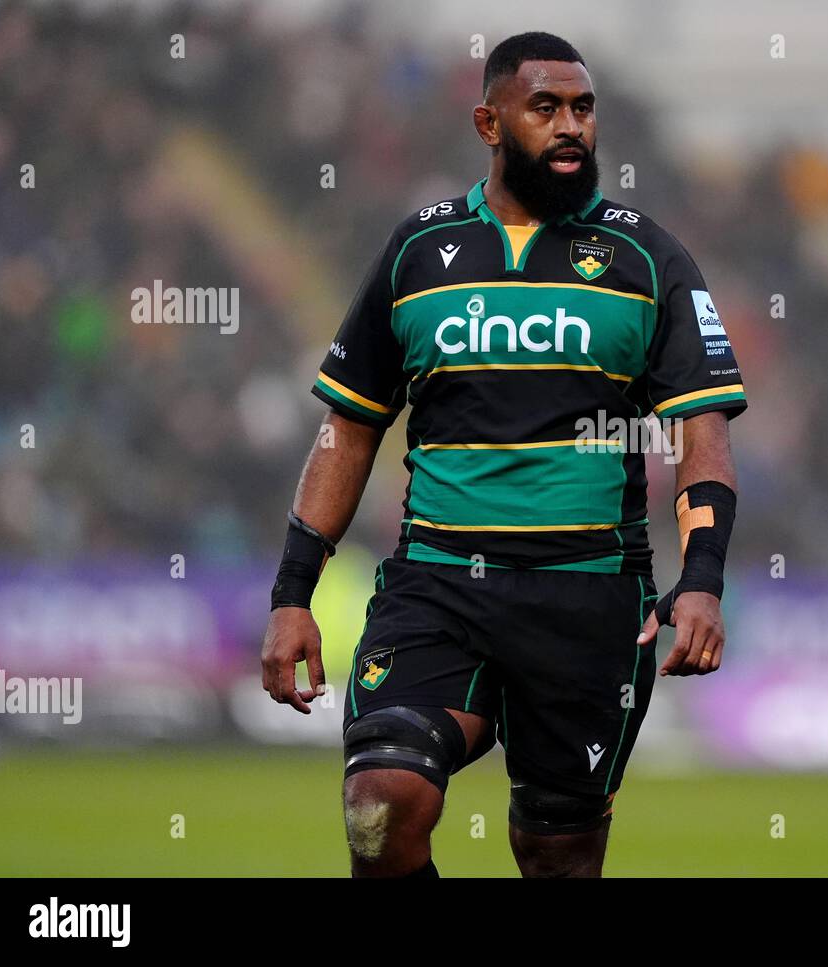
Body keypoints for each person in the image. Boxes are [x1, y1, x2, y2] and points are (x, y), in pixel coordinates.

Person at [261, 31, 746, 877]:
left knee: (556, 854)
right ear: (489, 121)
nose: (571, 127)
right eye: (546, 108)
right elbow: (349, 428)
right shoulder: (418, 252)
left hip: (588, 595)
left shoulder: (648, 259)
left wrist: (701, 576)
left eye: (584, 109)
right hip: (437, 582)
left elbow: (700, 432)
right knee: (381, 802)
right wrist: (292, 591)